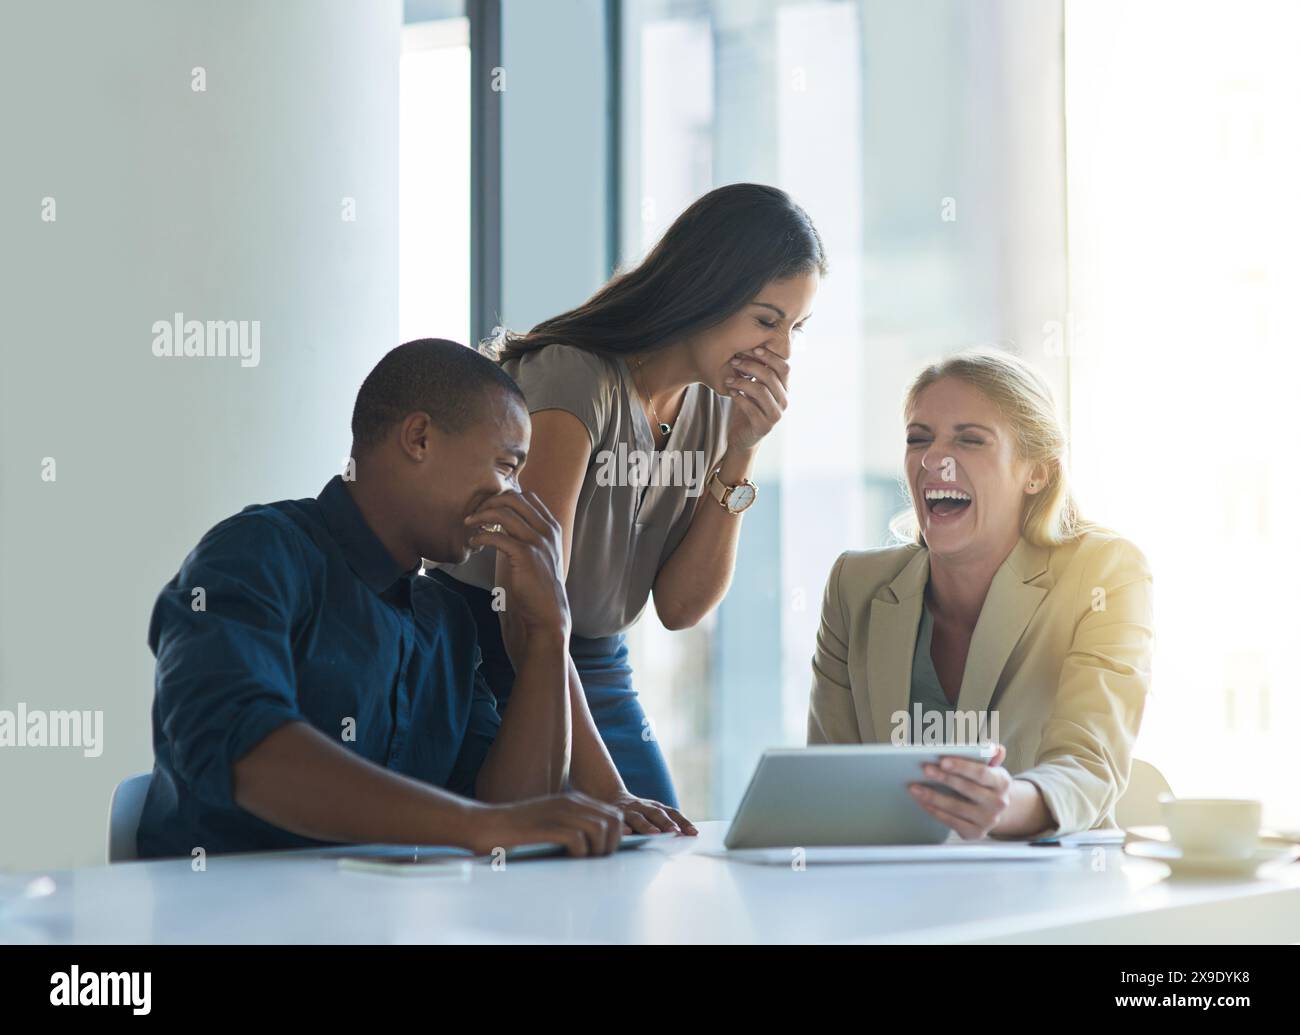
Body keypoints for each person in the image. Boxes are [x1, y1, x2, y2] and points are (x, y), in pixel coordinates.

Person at [137, 339, 624, 859]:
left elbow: (514, 819)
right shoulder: (256, 552)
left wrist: (550, 632)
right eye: (507, 466)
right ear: (418, 438)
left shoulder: (447, 625)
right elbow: (243, 749)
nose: (515, 497)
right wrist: (477, 825)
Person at [438, 183, 825, 827]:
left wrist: (742, 453)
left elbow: (680, 609)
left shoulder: (711, 406)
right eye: (766, 320)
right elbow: (525, 609)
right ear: (707, 290)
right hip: (492, 652)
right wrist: (607, 789)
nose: (781, 351)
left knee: (658, 848)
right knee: (550, 859)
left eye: (796, 328)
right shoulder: (572, 378)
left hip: (596, 663)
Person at [807, 347, 1154, 839]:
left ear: (1038, 472)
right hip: (887, 888)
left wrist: (1007, 804)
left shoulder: (1105, 571)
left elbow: (1090, 762)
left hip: (1045, 884)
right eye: (918, 439)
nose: (933, 459)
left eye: (970, 440)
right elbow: (827, 785)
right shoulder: (855, 586)